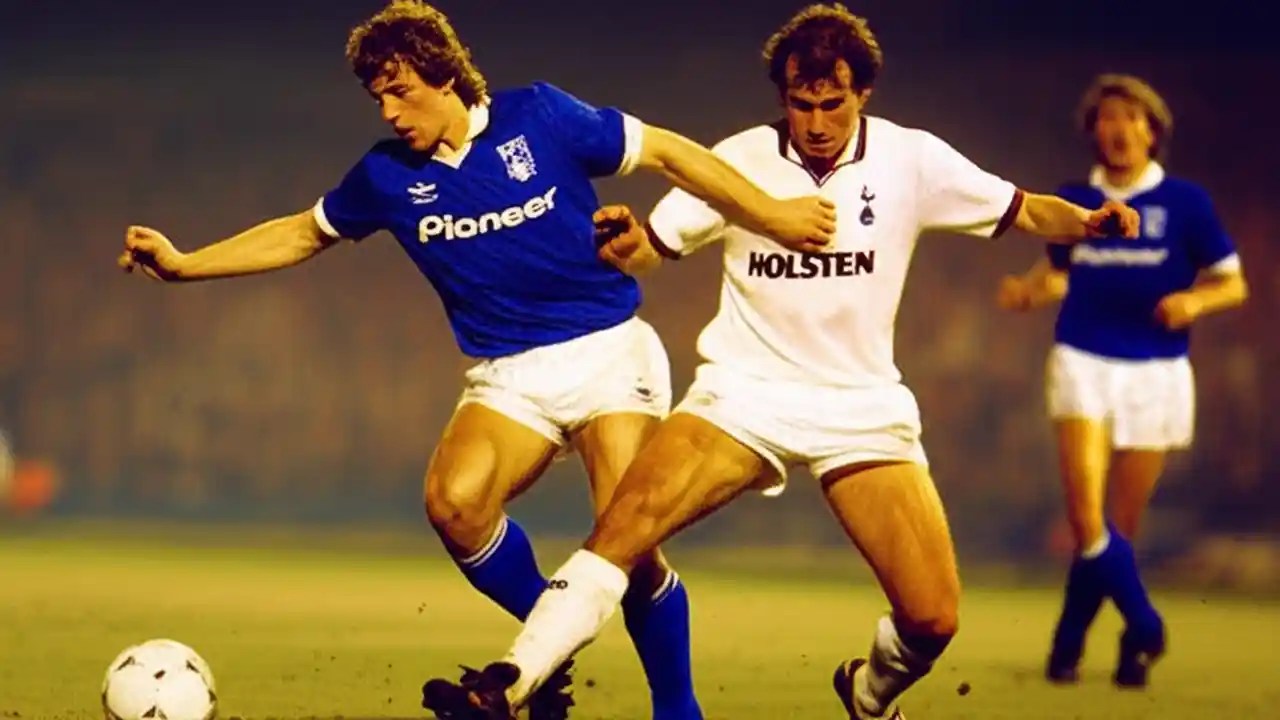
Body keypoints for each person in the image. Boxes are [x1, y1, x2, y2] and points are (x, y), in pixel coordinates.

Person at [116, 2, 836, 719]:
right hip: (508, 374)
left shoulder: (542, 118)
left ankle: (676, 709)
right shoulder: (385, 176)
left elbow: (669, 152)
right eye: (378, 98)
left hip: (609, 349)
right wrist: (184, 265)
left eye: (400, 91)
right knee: (454, 506)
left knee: (631, 542)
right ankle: (543, 656)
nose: (391, 112)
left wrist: (770, 215)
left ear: (442, 74)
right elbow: (303, 233)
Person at [419, 5, 1140, 719]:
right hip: (741, 397)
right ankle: (511, 684)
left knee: (933, 619)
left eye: (833, 104)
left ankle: (867, 692)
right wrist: (620, 238)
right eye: (802, 104)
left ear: (863, 95)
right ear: (784, 97)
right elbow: (651, 249)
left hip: (860, 407)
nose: (817, 121)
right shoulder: (737, 162)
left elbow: (1022, 209)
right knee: (623, 529)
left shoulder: (912, 159)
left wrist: (1087, 222)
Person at [996, 73, 1248, 688]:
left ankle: (1073, 643)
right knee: (1086, 521)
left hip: (1157, 372)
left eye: (1129, 117)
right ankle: (1145, 625)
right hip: (1083, 358)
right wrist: (1031, 292)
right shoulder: (1076, 198)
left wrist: (1193, 302)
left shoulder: (1186, 204)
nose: (1117, 128)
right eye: (1106, 118)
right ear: (1093, 133)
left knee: (1120, 530)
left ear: (1151, 131)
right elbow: (1057, 273)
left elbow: (1232, 283)